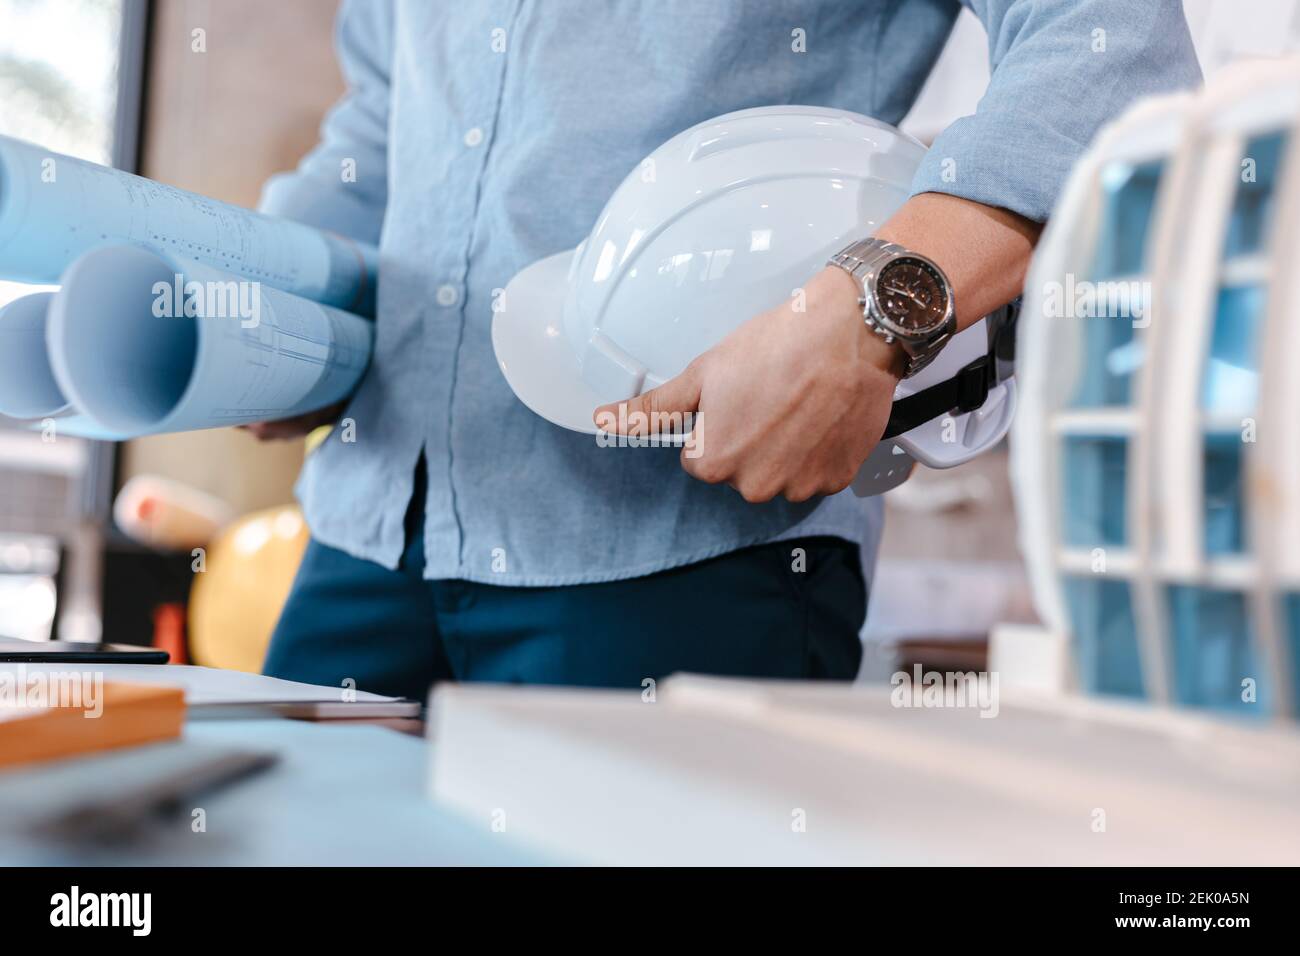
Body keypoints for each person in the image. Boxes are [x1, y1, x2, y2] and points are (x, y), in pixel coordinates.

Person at [254, 1, 1200, 700]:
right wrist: (265, 305)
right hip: (370, 529)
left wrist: (871, 313)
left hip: (687, 550)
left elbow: (1111, 46)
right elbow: (386, 114)